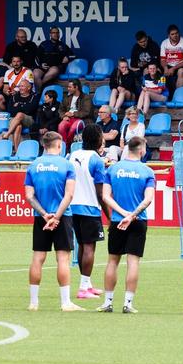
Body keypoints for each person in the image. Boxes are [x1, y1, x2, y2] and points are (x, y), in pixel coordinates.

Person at [24, 132, 82, 312]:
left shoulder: (33, 165)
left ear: (44, 145)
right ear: (59, 145)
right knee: (63, 258)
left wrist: (44, 214)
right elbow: (69, 195)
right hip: (62, 216)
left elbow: (29, 196)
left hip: (41, 217)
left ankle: (33, 302)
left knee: (38, 257)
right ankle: (65, 302)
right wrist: (56, 217)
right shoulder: (67, 165)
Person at [98, 135, 154, 313]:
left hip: (117, 220)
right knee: (133, 262)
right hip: (138, 220)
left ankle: (107, 302)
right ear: (142, 150)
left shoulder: (113, 169)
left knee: (112, 261)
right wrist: (132, 215)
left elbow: (105, 196)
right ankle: (128, 303)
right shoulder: (147, 171)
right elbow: (148, 199)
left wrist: (122, 214)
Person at [67, 126, 110, 302]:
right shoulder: (96, 160)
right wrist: (109, 215)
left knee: (82, 245)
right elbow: (100, 192)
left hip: (73, 206)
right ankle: (83, 288)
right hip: (90, 207)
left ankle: (87, 284)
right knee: (89, 247)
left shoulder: (73, 155)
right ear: (98, 139)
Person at [4, 80, 39, 149]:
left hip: (28, 119)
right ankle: (16, 150)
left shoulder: (34, 97)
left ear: (29, 87)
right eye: (19, 86)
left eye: (22, 86)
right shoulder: (14, 97)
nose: (20, 88)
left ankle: (7, 134)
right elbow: (10, 110)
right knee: (18, 126)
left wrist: (18, 106)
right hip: (14, 119)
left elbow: (29, 110)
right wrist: (23, 106)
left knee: (20, 114)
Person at [57, 79, 92, 145]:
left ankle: (68, 145)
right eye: (68, 87)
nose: (68, 89)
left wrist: (73, 114)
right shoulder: (67, 98)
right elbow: (61, 110)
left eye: (70, 87)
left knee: (73, 128)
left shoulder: (86, 98)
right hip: (68, 119)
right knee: (61, 127)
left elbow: (86, 112)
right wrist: (63, 116)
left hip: (81, 119)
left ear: (76, 87)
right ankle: (64, 146)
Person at [159, 24, 183, 92]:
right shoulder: (164, 43)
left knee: (181, 71)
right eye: (172, 34)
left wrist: (173, 68)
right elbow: (162, 60)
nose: (175, 35)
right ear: (169, 35)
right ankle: (162, 95)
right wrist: (165, 68)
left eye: (177, 33)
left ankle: (178, 95)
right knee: (157, 70)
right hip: (169, 65)